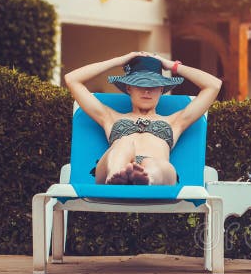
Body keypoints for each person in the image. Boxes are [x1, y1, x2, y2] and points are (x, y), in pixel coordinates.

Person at [64, 52, 222, 185]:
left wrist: (172, 65)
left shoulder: (175, 122)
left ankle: (146, 179)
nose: (147, 91)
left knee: (154, 164)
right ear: (128, 88)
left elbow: (213, 85)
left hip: (158, 171)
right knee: (124, 143)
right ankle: (117, 175)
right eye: (140, 85)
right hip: (113, 165)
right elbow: (72, 79)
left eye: (153, 86)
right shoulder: (110, 117)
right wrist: (119, 61)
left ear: (161, 90)